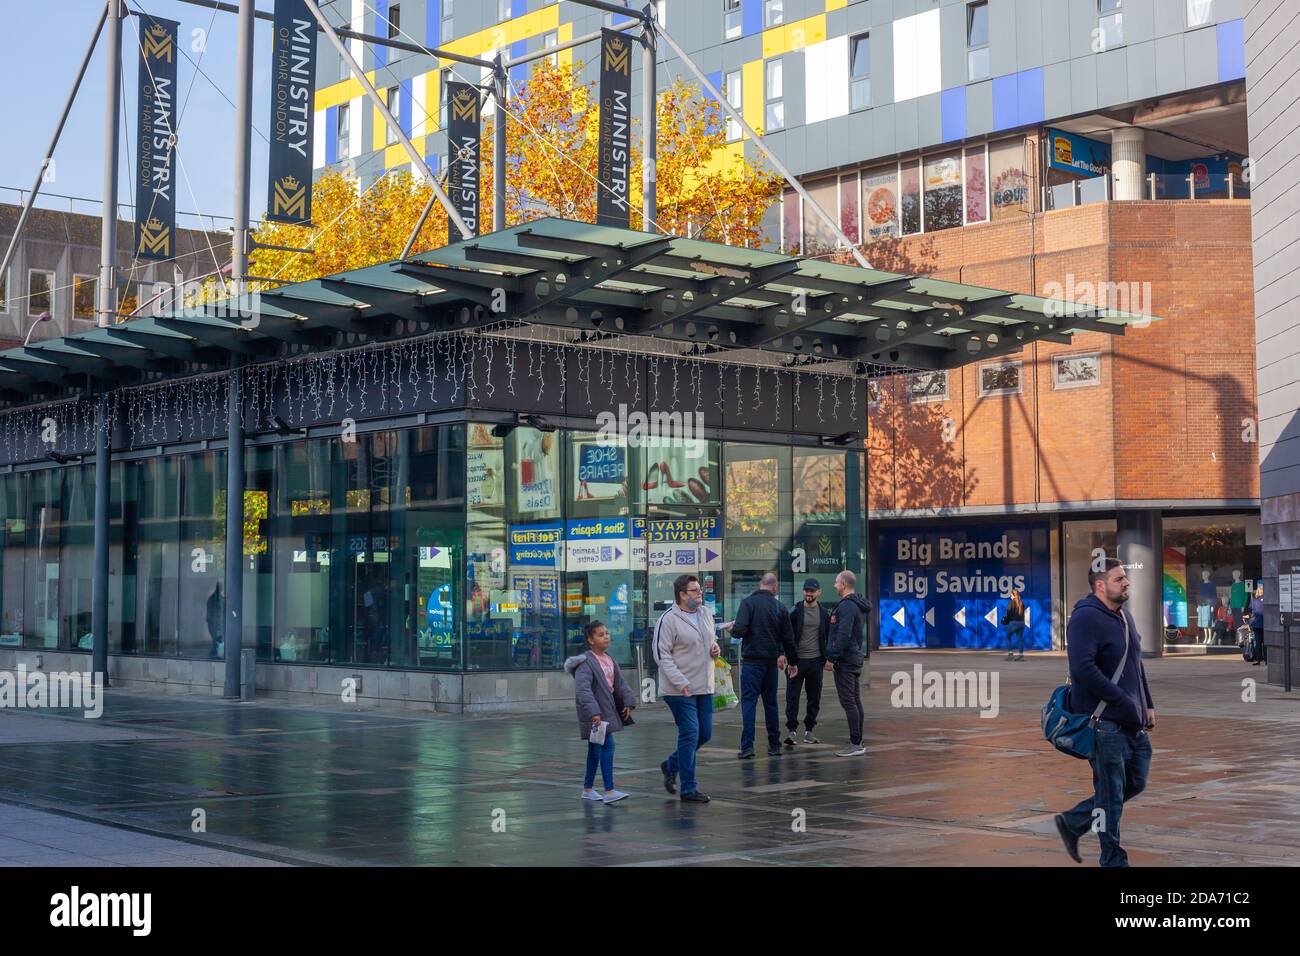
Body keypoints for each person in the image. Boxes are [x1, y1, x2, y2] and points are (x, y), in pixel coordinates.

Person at [1053, 558, 1155, 868]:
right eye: (1118, 579)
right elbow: (1083, 670)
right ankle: (1113, 860)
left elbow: (1136, 664)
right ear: (1100, 585)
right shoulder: (1085, 619)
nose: (1126, 583)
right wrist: (1123, 700)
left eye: (1125, 577)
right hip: (1105, 724)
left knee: (1135, 782)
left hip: (1132, 721)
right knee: (1110, 795)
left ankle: (1073, 822)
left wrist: (1147, 703)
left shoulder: (1124, 616)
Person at [655, 574, 722, 803]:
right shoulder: (668, 619)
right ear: (682, 595)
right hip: (679, 689)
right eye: (694, 590)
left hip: (704, 685)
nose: (699, 593)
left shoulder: (705, 613)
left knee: (705, 733)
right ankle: (688, 788)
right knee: (690, 733)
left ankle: (671, 764)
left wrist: (715, 649)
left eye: (699, 589)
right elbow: (661, 656)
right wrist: (681, 682)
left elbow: (710, 641)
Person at [565, 620, 635, 804]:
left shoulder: (610, 659)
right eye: (601, 634)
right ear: (590, 639)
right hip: (596, 715)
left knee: (595, 750)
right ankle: (609, 790)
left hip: (607, 711)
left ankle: (588, 789)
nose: (606, 636)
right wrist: (594, 712)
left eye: (607, 633)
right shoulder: (585, 663)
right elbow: (583, 690)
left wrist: (628, 702)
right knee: (608, 746)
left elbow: (619, 684)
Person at [732, 571, 797, 758]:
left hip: (752, 662)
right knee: (771, 704)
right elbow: (788, 638)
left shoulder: (748, 603)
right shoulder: (779, 607)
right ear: (774, 588)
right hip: (771, 664)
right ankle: (774, 745)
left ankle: (747, 747)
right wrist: (792, 662)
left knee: (749, 703)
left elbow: (739, 631)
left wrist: (733, 628)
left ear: (760, 585)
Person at [826, 570, 871, 757]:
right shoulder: (857, 605)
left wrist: (832, 657)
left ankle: (855, 743)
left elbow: (842, 634)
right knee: (855, 700)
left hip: (845, 660)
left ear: (844, 584)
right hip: (855, 657)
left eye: (836, 582)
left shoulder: (846, 607)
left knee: (849, 701)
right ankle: (857, 740)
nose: (834, 585)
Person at [783, 578, 830, 746]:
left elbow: (828, 637)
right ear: (803, 591)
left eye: (812, 591)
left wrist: (828, 658)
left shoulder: (824, 613)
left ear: (819, 592)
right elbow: (786, 634)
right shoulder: (795, 610)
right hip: (796, 662)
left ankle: (809, 731)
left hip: (816, 662)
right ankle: (791, 731)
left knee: (814, 698)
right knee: (792, 697)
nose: (809, 593)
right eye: (806, 590)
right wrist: (785, 655)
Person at [1003, 589, 1027, 661]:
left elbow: (1008, 614)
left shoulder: (1011, 603)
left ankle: (1010, 655)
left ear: (1013, 595)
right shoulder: (1021, 603)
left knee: (1008, 638)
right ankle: (1021, 656)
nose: (1010, 596)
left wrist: (1005, 621)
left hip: (1014, 623)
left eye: (1010, 595)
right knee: (1020, 639)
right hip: (1022, 623)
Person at [1250, 584, 1266, 665]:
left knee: (1258, 642)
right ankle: (1266, 660)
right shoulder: (1265, 599)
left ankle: (1258, 660)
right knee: (1264, 642)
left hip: (1256, 623)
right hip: (1263, 623)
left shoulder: (1253, 600)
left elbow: (1251, 611)